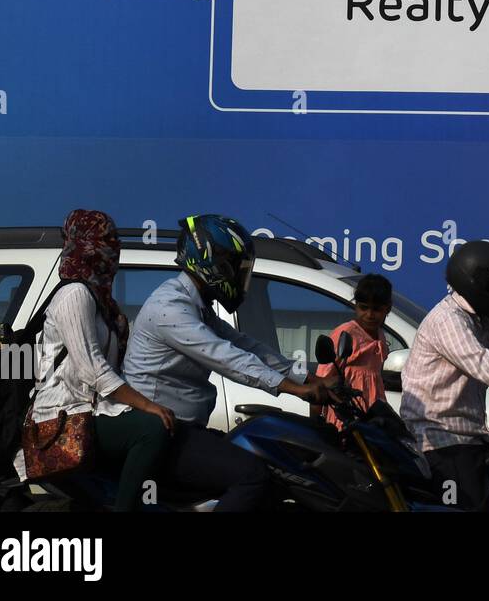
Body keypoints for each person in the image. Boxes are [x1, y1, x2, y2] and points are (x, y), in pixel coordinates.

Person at [122, 214, 336, 511]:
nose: (239, 276)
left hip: (185, 430)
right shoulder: (170, 308)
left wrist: (308, 378)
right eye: (235, 267)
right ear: (211, 263)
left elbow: (245, 345)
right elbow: (227, 357)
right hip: (164, 435)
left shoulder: (197, 304)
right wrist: (293, 389)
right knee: (252, 477)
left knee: (276, 470)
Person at [15, 210, 176, 512]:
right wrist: (147, 406)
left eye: (115, 238)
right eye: (106, 238)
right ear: (85, 243)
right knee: (150, 428)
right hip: (62, 415)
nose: (113, 246)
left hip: (91, 409)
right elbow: (93, 371)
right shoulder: (74, 294)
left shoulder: (102, 303)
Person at [400, 241, 489, 510]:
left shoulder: (474, 320)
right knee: (471, 506)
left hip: (470, 434)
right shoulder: (449, 320)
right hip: (442, 439)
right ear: (477, 283)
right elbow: (485, 366)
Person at [315, 273, 393, 430]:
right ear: (356, 306)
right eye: (364, 308)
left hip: (373, 420)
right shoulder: (345, 333)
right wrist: (316, 426)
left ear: (388, 309)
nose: (370, 315)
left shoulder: (380, 336)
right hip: (346, 419)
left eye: (376, 309)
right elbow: (320, 383)